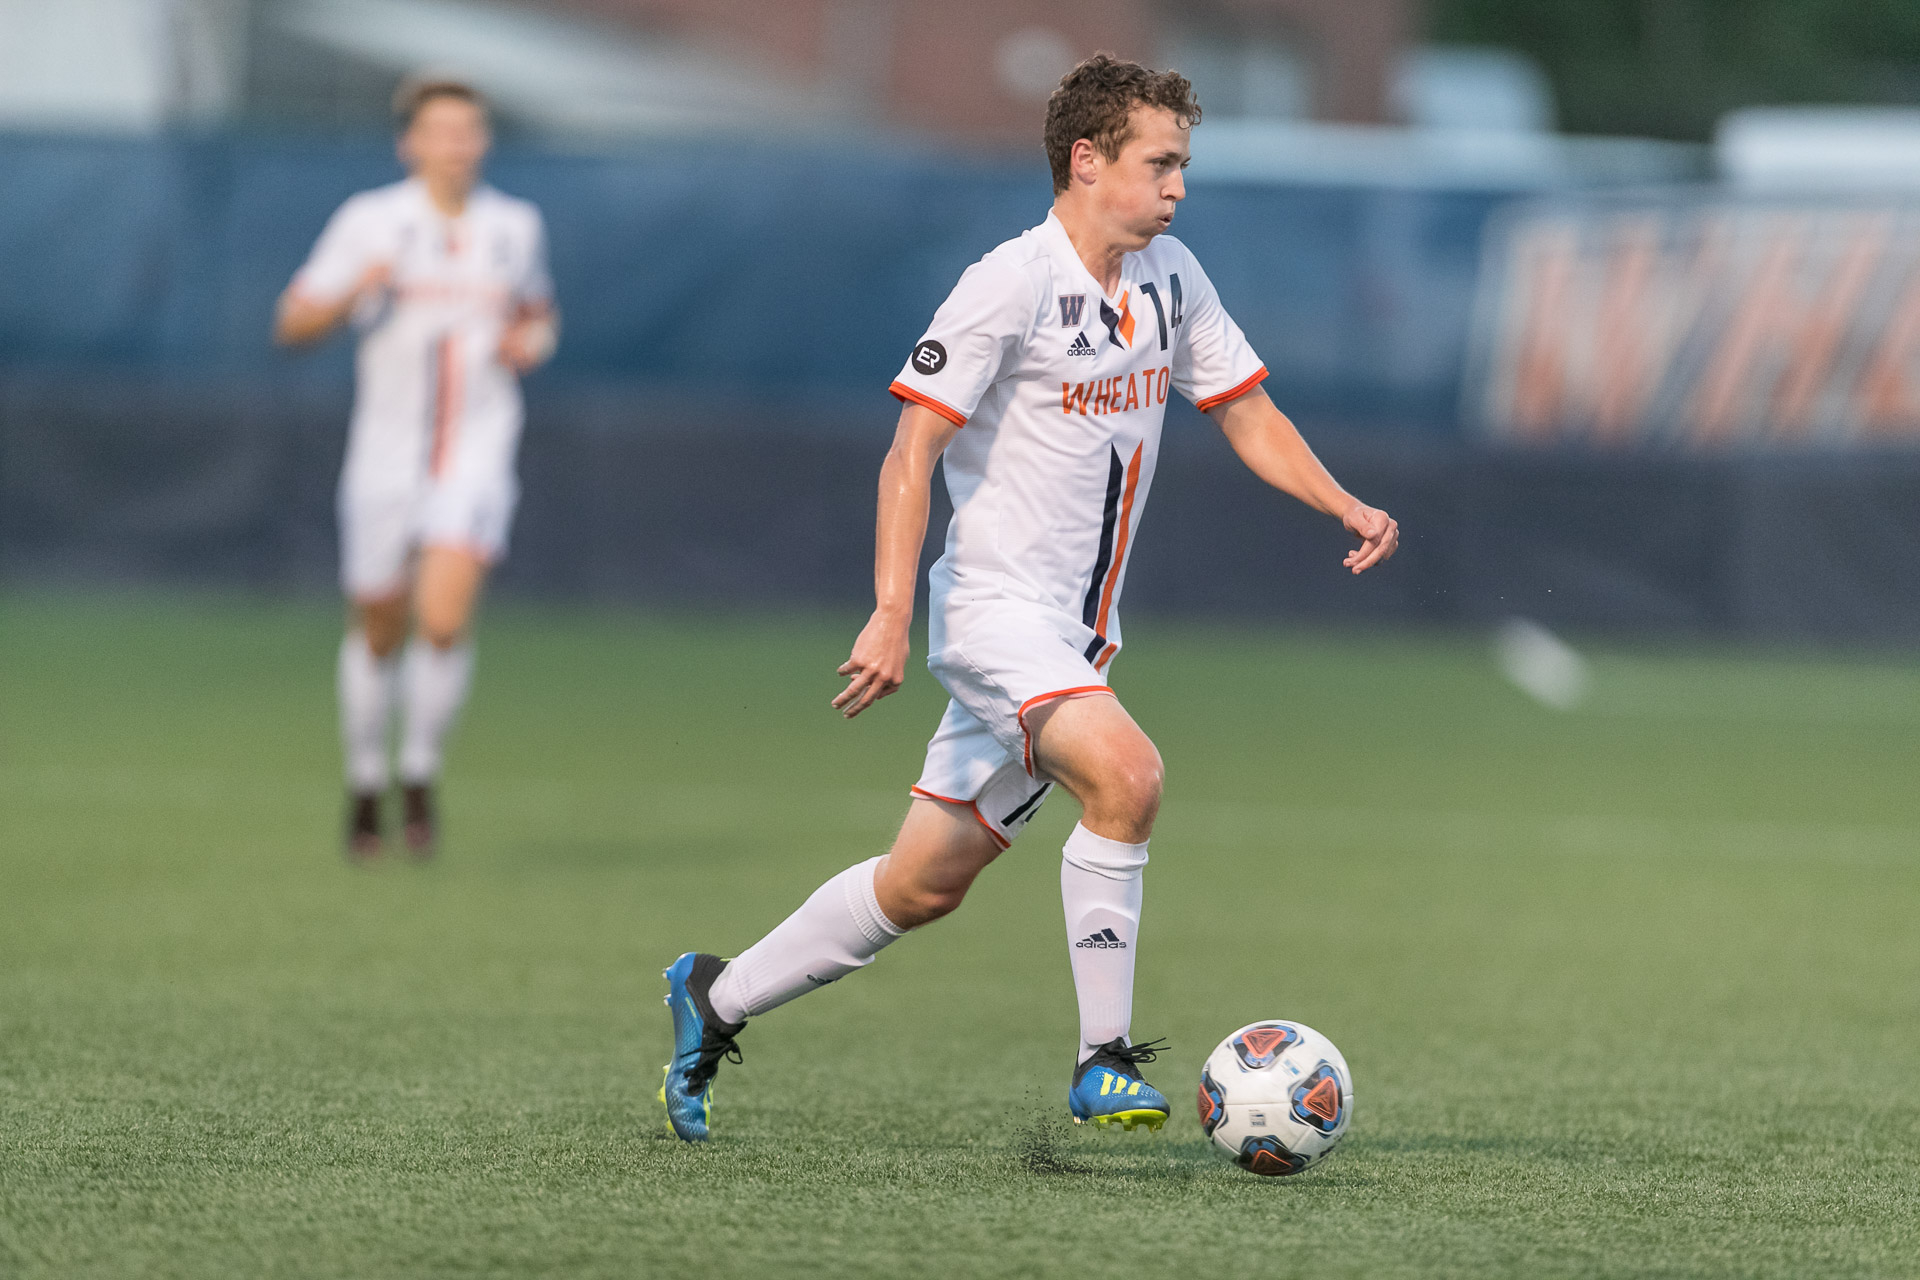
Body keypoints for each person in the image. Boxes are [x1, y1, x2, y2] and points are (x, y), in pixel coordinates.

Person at [659, 53, 1398, 1142]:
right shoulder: (1009, 281)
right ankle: (1103, 1059)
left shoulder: (1174, 277)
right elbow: (912, 448)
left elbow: (1244, 410)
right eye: (1161, 163)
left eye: (1183, 165)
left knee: (920, 886)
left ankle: (710, 998)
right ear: (1088, 160)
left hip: (1077, 638)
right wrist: (892, 607)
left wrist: (1342, 501)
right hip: (995, 613)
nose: (1178, 186)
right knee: (1129, 775)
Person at [274, 78, 557, 859]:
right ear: (411, 143)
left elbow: (538, 314)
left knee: (442, 618)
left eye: (470, 129)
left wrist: (529, 343)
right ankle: (365, 782)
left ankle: (420, 774)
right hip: (384, 456)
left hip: (477, 450)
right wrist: (349, 296)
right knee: (378, 627)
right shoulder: (371, 220)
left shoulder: (515, 226)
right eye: (441, 130)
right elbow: (291, 321)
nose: (457, 144)